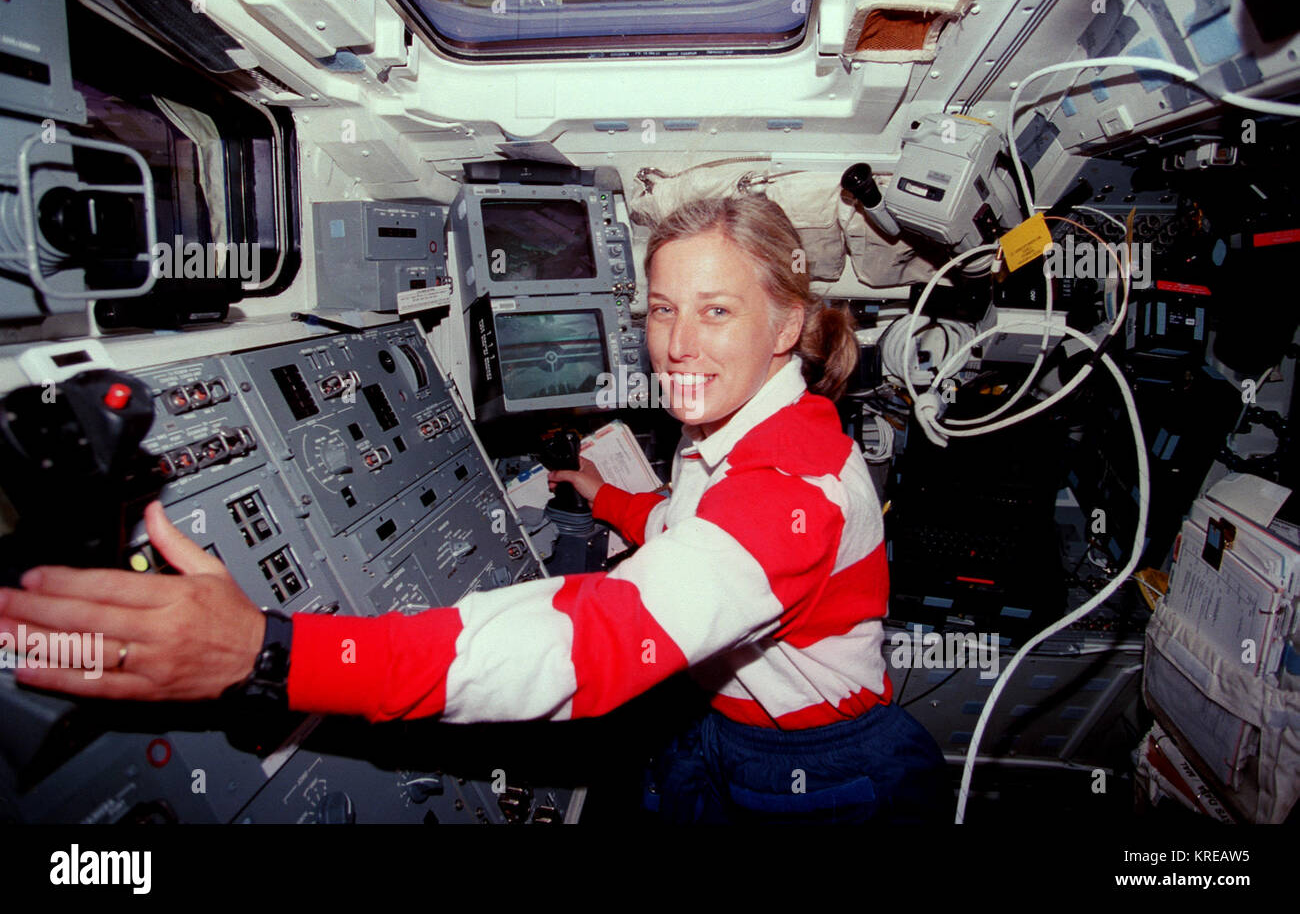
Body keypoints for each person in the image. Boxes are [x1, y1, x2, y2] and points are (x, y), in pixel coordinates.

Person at [0, 194, 949, 823]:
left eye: (716, 311)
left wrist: (267, 655)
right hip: (716, 724)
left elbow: (591, 645)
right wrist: (611, 500)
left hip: (814, 767)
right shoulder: (738, 427)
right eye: (662, 309)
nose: (676, 344)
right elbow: (688, 525)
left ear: (787, 325)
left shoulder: (793, 485)